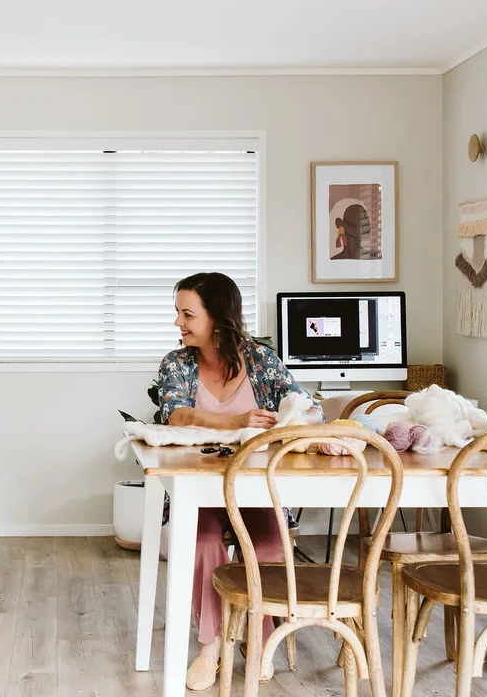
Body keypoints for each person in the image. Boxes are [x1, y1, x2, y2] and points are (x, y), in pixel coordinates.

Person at [157, 272, 323, 691]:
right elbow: (175, 415)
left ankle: (260, 634)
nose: (178, 322)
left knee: (269, 544)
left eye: (187, 314)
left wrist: (291, 419)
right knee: (202, 543)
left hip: (255, 487)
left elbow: (307, 407)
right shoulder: (177, 364)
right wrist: (236, 421)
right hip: (198, 488)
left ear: (218, 317)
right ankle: (211, 645)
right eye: (179, 313)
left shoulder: (262, 361)